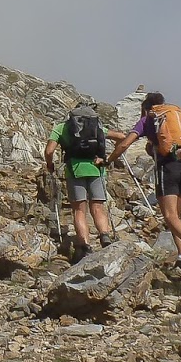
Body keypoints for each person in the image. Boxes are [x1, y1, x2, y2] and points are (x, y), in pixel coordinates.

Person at [104, 91, 181, 272]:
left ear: (145, 107)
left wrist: (109, 160)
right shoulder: (175, 116)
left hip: (168, 169)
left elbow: (125, 144)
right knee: (175, 217)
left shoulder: (148, 119)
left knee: (170, 216)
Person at [43, 103, 122, 259]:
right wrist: (107, 159)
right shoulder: (95, 126)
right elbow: (121, 137)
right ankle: (104, 236)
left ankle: (85, 246)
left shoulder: (62, 127)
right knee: (98, 207)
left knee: (79, 210)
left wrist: (50, 165)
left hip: (75, 170)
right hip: (97, 169)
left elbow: (49, 151)